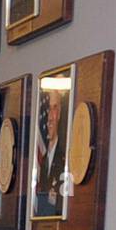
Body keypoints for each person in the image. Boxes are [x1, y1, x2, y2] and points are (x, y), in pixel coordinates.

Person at [36, 88, 66, 217]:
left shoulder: (64, 158)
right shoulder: (42, 161)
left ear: (60, 114)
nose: (49, 117)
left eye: (54, 108)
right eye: (48, 108)